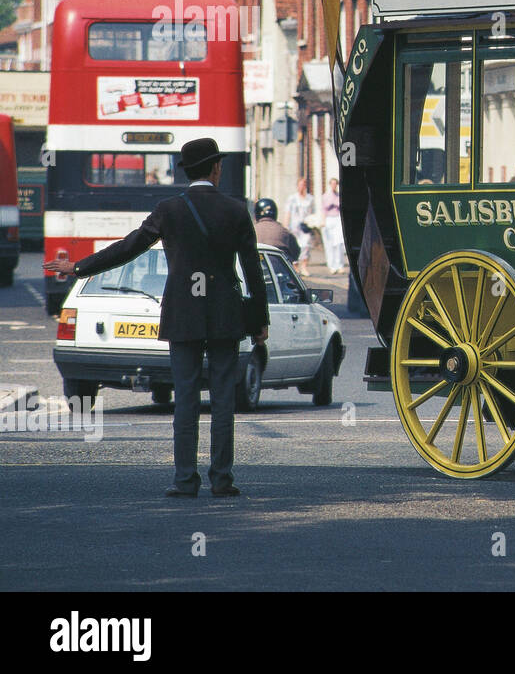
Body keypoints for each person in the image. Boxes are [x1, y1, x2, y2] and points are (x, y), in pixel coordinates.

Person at [43, 138, 268, 498]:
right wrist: (259, 321)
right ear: (215, 169)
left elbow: (128, 247)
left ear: (187, 172)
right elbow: (254, 271)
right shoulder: (236, 210)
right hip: (225, 314)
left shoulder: (169, 210)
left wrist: (79, 267)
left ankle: (184, 481)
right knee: (224, 399)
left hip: (183, 315)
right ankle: (222, 479)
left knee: (187, 400)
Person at [253, 197, 299, 263]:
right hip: (279, 270)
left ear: (256, 214)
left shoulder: (250, 231)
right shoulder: (284, 231)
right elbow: (296, 253)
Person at [285, 177, 316, 277]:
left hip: (305, 226)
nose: (301, 187)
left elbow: (313, 212)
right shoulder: (292, 198)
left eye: (303, 185)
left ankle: (304, 266)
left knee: (306, 245)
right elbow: (288, 212)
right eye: (299, 185)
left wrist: (313, 223)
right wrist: (286, 225)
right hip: (294, 226)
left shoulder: (310, 199)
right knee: (295, 246)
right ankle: (295, 266)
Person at [321, 178, 346, 275]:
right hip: (329, 219)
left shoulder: (339, 195)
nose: (334, 186)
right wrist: (323, 222)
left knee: (339, 243)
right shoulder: (325, 196)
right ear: (330, 185)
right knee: (330, 243)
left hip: (337, 219)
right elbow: (323, 210)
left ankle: (339, 265)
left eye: (335, 184)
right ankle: (332, 266)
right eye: (332, 184)